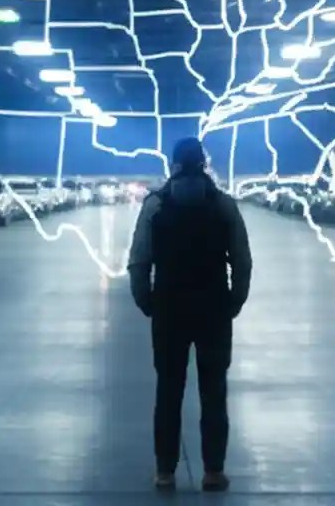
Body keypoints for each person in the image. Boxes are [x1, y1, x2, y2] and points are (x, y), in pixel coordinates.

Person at [127, 137, 253, 492]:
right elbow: (241, 259)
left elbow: (139, 259)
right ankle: (213, 471)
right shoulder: (224, 205)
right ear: (203, 164)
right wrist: (235, 301)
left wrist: (146, 301)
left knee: (168, 388)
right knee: (214, 389)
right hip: (213, 307)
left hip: (169, 307)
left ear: (174, 165)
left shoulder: (155, 204)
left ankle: (165, 471)